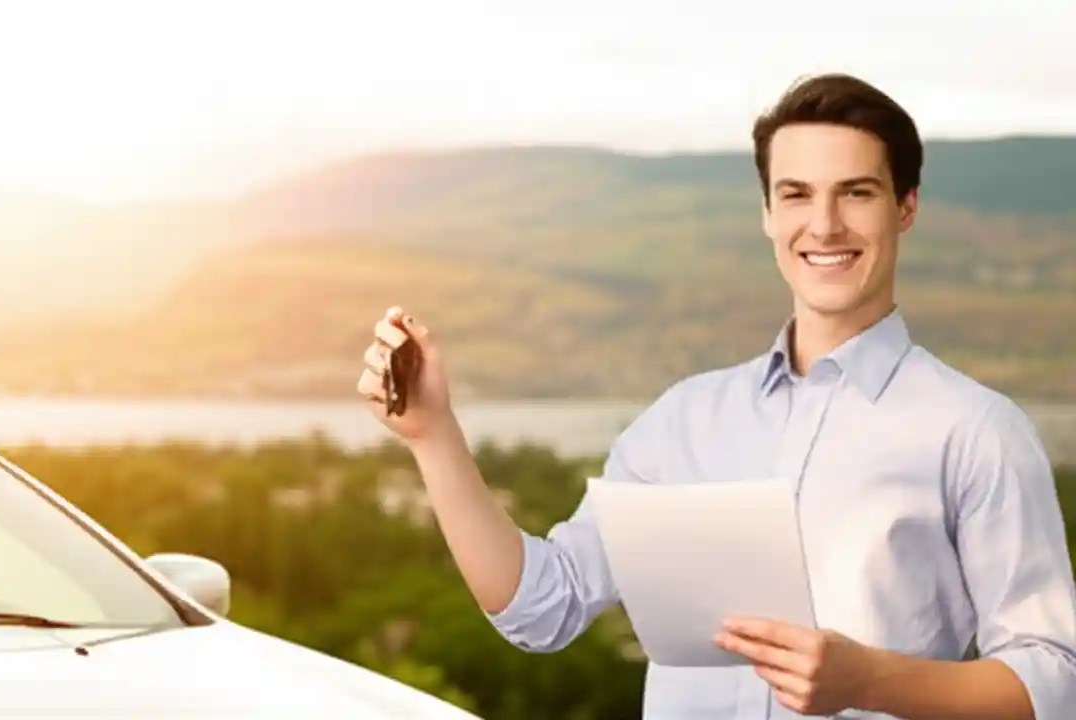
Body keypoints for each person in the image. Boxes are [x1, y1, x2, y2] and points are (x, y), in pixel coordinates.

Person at [355, 73, 1076, 719]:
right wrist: (432, 433)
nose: (823, 226)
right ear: (767, 213)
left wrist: (868, 680)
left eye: (856, 192)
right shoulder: (682, 421)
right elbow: (543, 608)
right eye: (796, 194)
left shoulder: (976, 430)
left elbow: (1050, 680)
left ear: (906, 207)